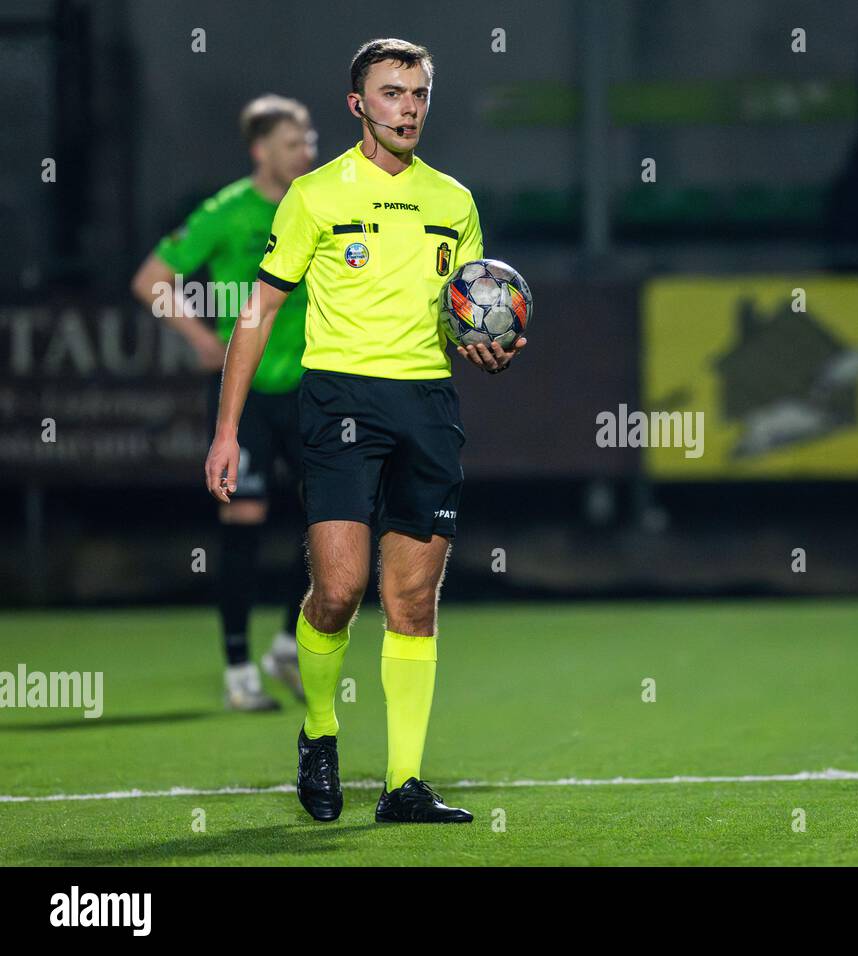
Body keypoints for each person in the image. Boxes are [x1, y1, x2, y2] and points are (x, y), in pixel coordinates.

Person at [204, 38, 525, 824]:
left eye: (417, 93)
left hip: (427, 405)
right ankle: (319, 733)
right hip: (341, 401)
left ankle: (403, 785)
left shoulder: (454, 201)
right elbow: (260, 311)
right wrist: (227, 430)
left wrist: (486, 344)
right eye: (391, 93)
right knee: (340, 591)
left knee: (413, 601)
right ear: (358, 105)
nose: (408, 107)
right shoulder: (314, 194)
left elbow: (465, 311)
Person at [132, 95, 318, 711]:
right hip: (250, 391)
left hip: (313, 384)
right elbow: (151, 280)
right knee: (245, 519)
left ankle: (288, 644)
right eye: (294, 143)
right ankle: (239, 668)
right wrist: (200, 339)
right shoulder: (228, 211)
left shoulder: (319, 204)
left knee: (331, 520)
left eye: (310, 141)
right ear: (261, 151)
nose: (307, 151)